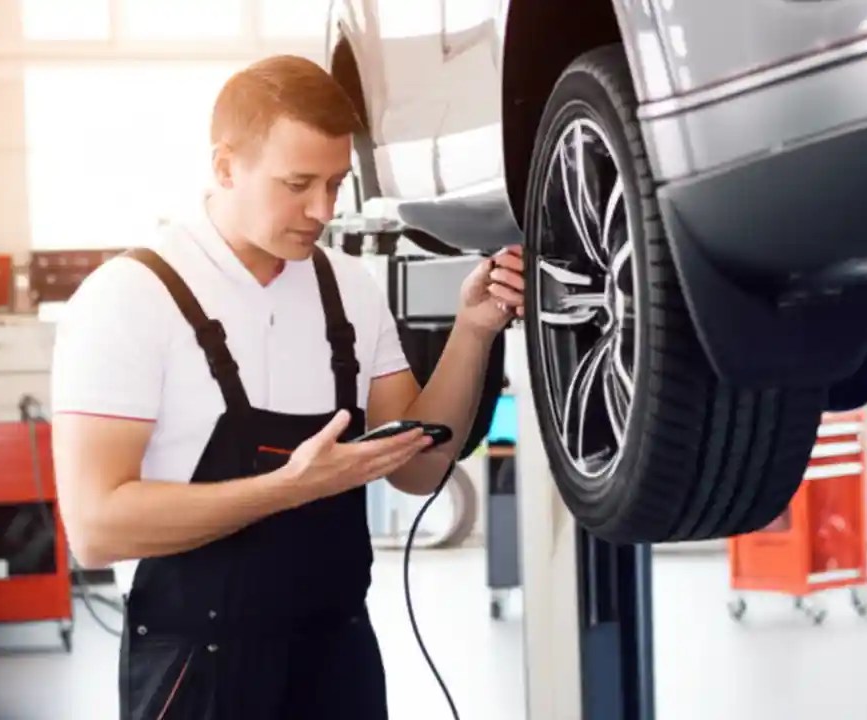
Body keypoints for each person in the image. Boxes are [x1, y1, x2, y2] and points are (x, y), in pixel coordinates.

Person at [49, 54, 525, 719]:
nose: (322, 209)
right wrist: (292, 488)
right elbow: (96, 527)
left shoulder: (349, 288)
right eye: (297, 183)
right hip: (197, 672)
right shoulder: (129, 298)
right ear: (224, 167)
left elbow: (418, 470)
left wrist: (473, 330)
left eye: (335, 184)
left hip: (337, 658)